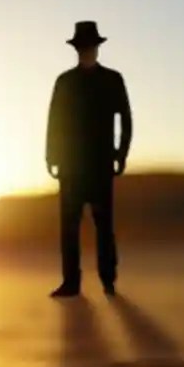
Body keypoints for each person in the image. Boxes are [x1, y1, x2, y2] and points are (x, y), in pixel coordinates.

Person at [46, 21, 132, 297]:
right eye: (83, 47)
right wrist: (52, 155)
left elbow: (126, 119)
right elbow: (54, 121)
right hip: (71, 165)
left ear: (96, 48)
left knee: (103, 224)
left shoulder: (112, 79)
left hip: (99, 163)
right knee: (69, 226)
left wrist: (121, 153)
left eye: (90, 47)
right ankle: (71, 281)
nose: (87, 51)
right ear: (77, 49)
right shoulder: (65, 82)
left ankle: (108, 278)